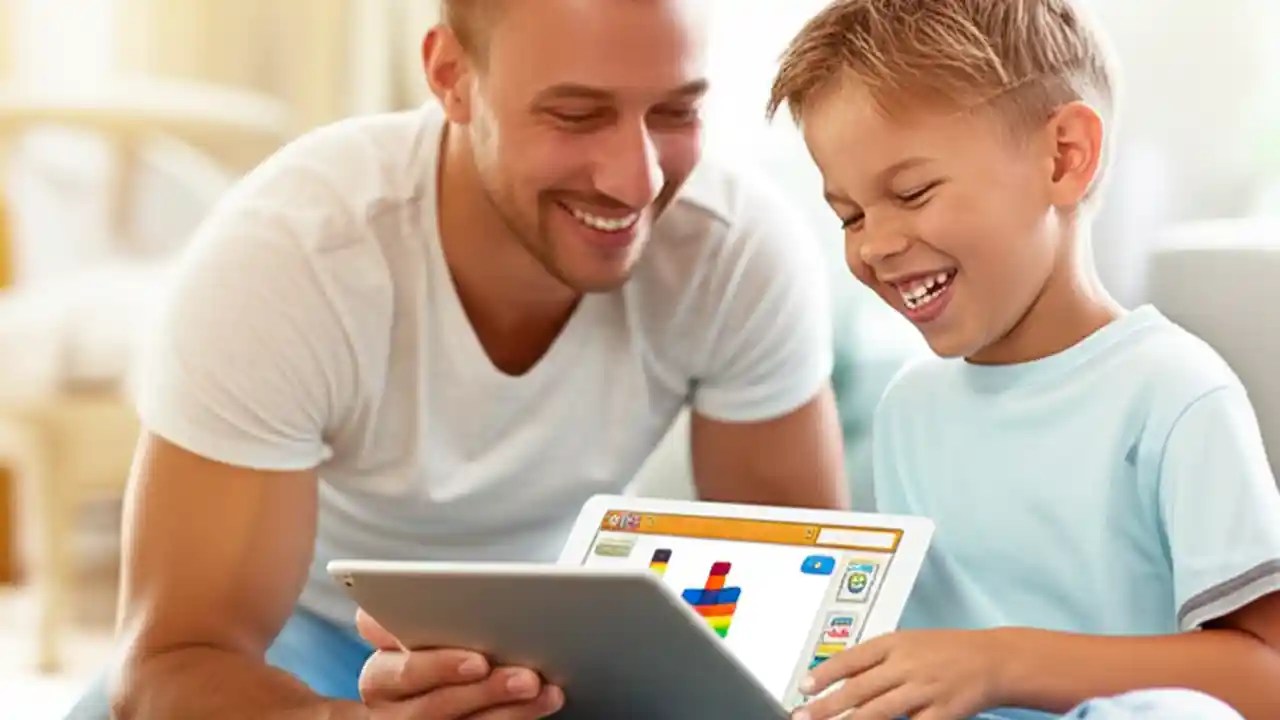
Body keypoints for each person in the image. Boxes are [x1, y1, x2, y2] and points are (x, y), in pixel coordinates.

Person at [74, 0, 853, 718]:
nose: (638, 179)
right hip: (301, 637)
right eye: (577, 115)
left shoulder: (734, 252)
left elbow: (796, 627)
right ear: (451, 78)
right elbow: (171, 664)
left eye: (676, 111)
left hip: (555, 659)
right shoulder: (292, 256)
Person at [764, 1, 1280, 719]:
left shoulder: (1173, 393)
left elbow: (1267, 679)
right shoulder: (910, 409)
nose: (873, 245)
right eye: (849, 215)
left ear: (1064, 156)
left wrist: (1002, 662)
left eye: (912, 193)